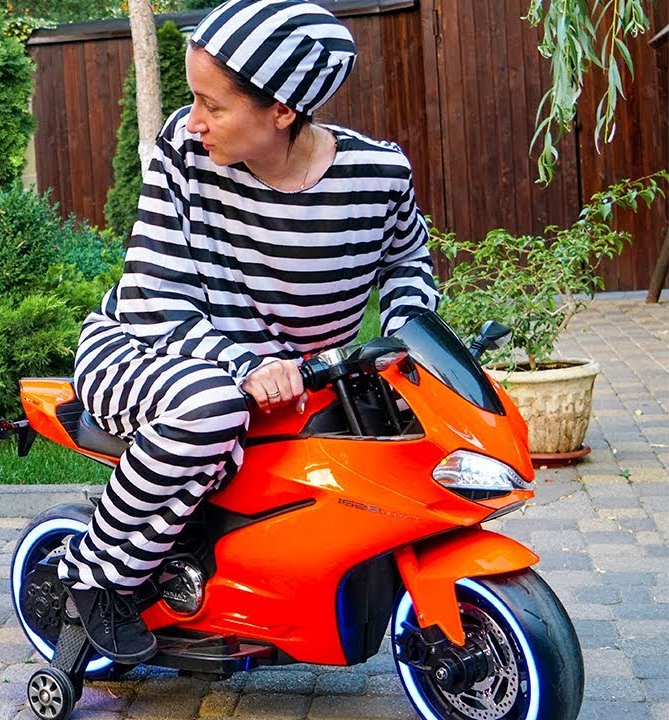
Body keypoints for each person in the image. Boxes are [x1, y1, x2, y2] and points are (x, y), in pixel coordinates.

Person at [58, 0, 440, 663]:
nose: (194, 120)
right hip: (142, 344)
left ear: (282, 112)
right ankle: (94, 577)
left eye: (214, 105)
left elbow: (407, 260)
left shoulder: (378, 172)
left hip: (291, 372)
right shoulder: (185, 151)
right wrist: (244, 365)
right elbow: (155, 295)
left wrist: (408, 337)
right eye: (192, 99)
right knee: (213, 407)